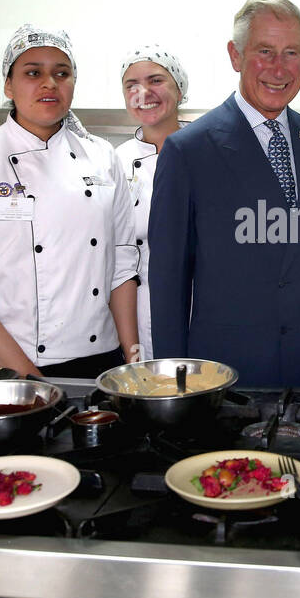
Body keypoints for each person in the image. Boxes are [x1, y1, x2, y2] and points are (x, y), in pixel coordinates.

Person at [149, 0, 300, 387]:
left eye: (291, 53)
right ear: (235, 56)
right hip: (228, 376)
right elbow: (168, 284)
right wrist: (176, 384)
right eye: (264, 51)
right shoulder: (189, 150)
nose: (278, 68)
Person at [0, 25, 139, 378]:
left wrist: (133, 359)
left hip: (97, 359)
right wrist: (31, 380)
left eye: (62, 73)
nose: (50, 83)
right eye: (33, 73)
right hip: (2, 365)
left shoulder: (102, 157)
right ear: (8, 85)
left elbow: (121, 261)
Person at [114, 45, 189, 362]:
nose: (143, 92)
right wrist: (129, 346)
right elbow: (115, 261)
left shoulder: (207, 153)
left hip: (199, 307)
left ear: (180, 89)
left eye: (156, 80)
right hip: (134, 310)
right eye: (131, 84)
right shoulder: (113, 163)